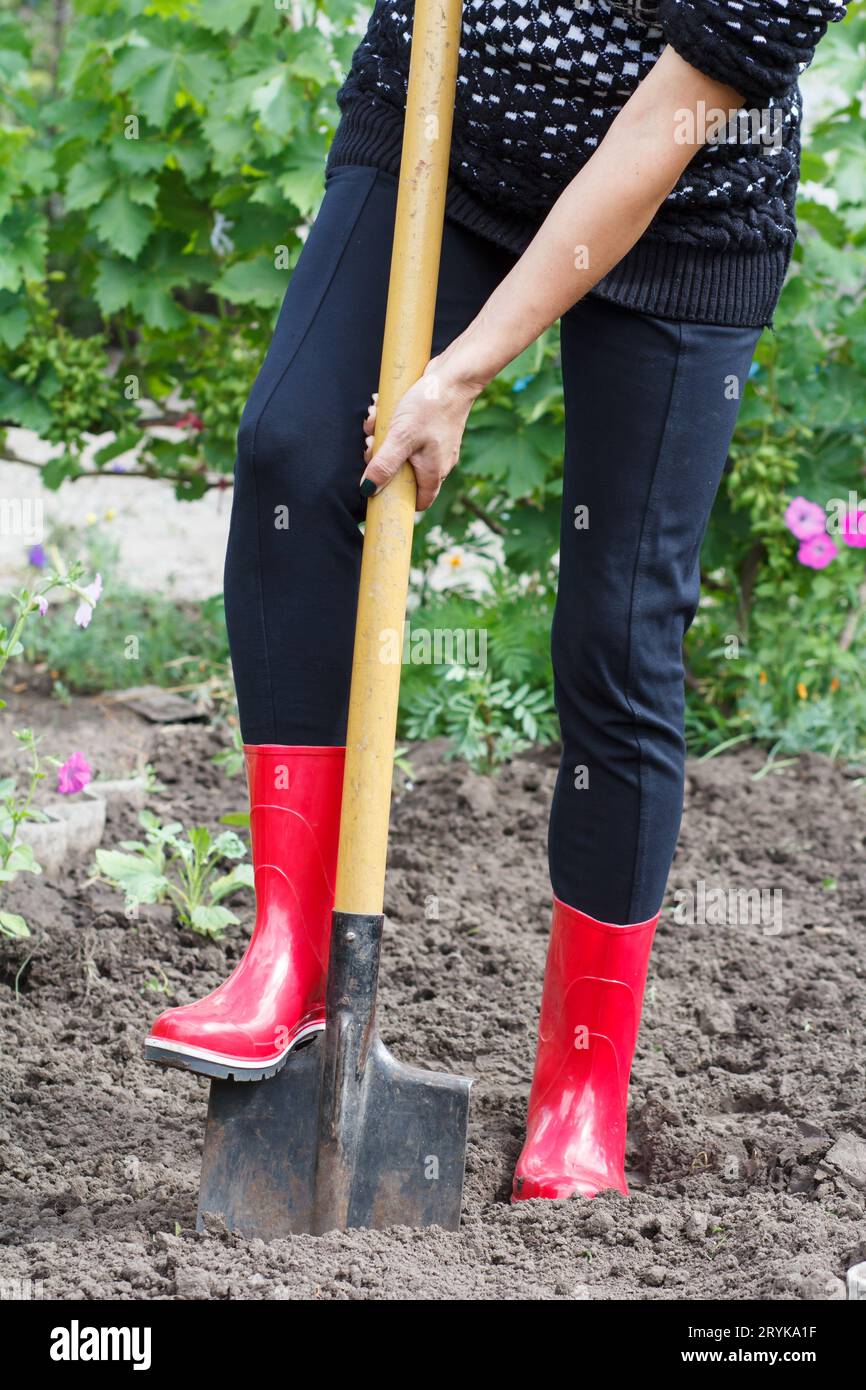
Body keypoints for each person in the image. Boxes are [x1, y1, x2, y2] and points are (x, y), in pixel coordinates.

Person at [146, 0, 846, 1202]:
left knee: (618, 633)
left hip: (680, 207)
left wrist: (461, 370)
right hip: (445, 119)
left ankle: (579, 1095)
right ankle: (285, 956)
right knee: (291, 453)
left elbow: (661, 132)